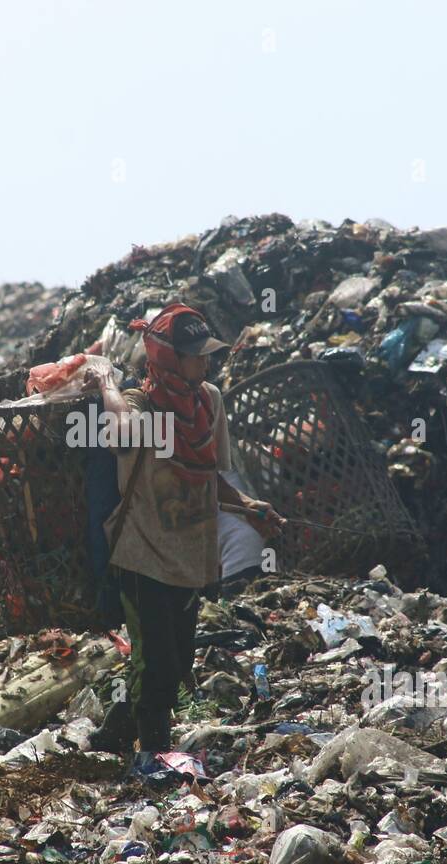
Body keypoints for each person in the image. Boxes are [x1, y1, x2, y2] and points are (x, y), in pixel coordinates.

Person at [86, 303, 284, 762]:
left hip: (192, 557)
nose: (206, 362)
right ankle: (151, 756)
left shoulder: (208, 401)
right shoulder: (140, 405)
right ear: (168, 358)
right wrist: (108, 385)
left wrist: (248, 506)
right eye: (197, 355)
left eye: (208, 353)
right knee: (157, 663)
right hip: (144, 554)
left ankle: (123, 726)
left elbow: (207, 475)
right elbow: (119, 433)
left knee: (176, 661)